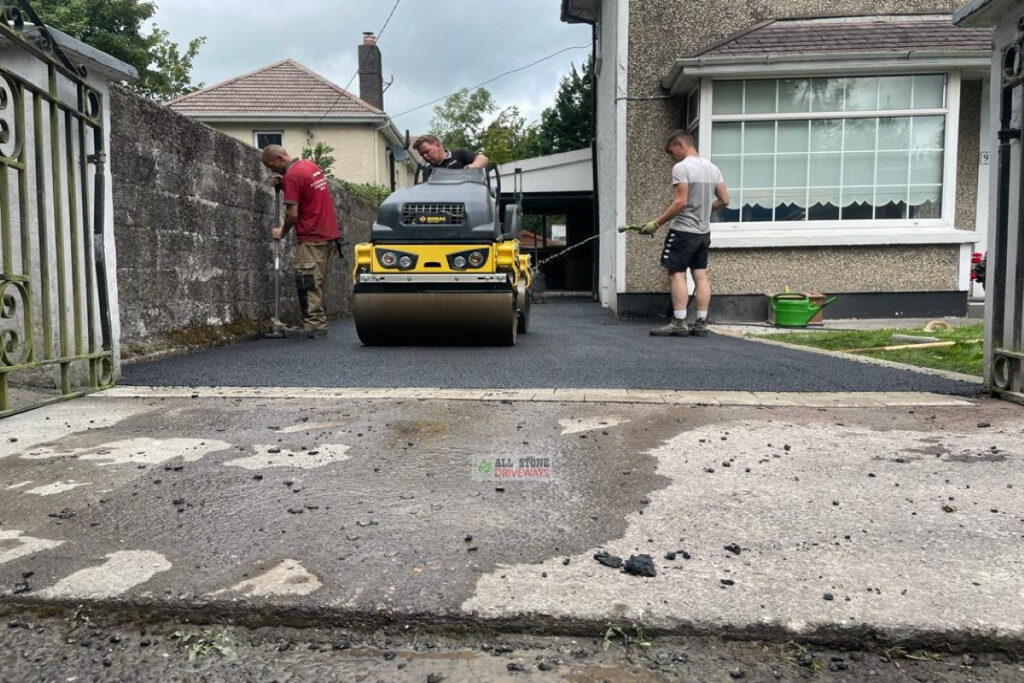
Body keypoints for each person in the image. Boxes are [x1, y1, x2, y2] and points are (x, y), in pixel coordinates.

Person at [644, 130, 729, 337]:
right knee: (700, 275)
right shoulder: (712, 168)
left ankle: (679, 322)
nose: (671, 156)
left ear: (680, 144)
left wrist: (656, 224)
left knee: (676, 274)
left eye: (671, 151)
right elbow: (725, 200)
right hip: (703, 233)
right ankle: (701, 323)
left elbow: (680, 201)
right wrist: (704, 209)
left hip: (683, 231)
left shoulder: (682, 168)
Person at [260, 144, 340, 339]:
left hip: (311, 235)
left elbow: (292, 214)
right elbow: (307, 191)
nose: (271, 170)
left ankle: (314, 325)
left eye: (271, 166)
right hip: (328, 233)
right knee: (319, 281)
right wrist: (284, 184)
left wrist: (282, 232)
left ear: (280, 159)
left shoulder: (293, 176)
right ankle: (318, 321)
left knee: (308, 280)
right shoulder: (310, 166)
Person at [413, 134, 489, 169]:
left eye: (427, 151)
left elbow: (483, 158)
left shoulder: (460, 154)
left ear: (438, 145)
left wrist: (473, 166)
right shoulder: (429, 170)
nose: (425, 156)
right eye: (422, 154)